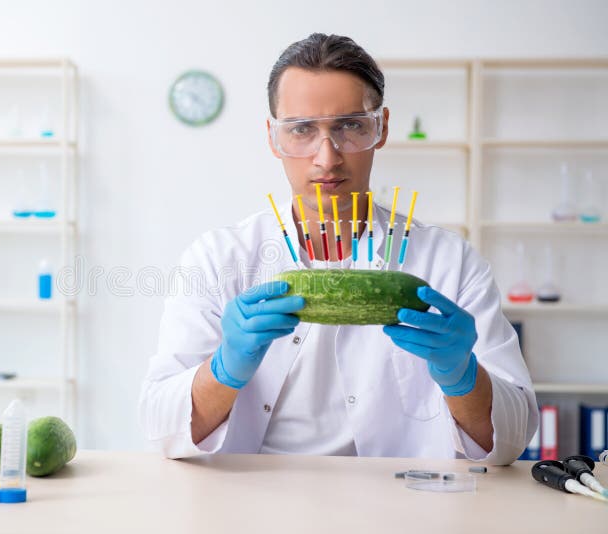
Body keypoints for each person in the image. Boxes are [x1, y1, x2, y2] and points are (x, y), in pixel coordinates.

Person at [139, 33, 538, 464]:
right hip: (251, 506)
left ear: (380, 128)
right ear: (273, 138)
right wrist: (223, 369)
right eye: (301, 130)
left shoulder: (449, 263)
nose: (326, 158)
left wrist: (463, 377)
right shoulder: (218, 259)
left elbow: (512, 442)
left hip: (401, 507)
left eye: (350, 126)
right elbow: (159, 428)